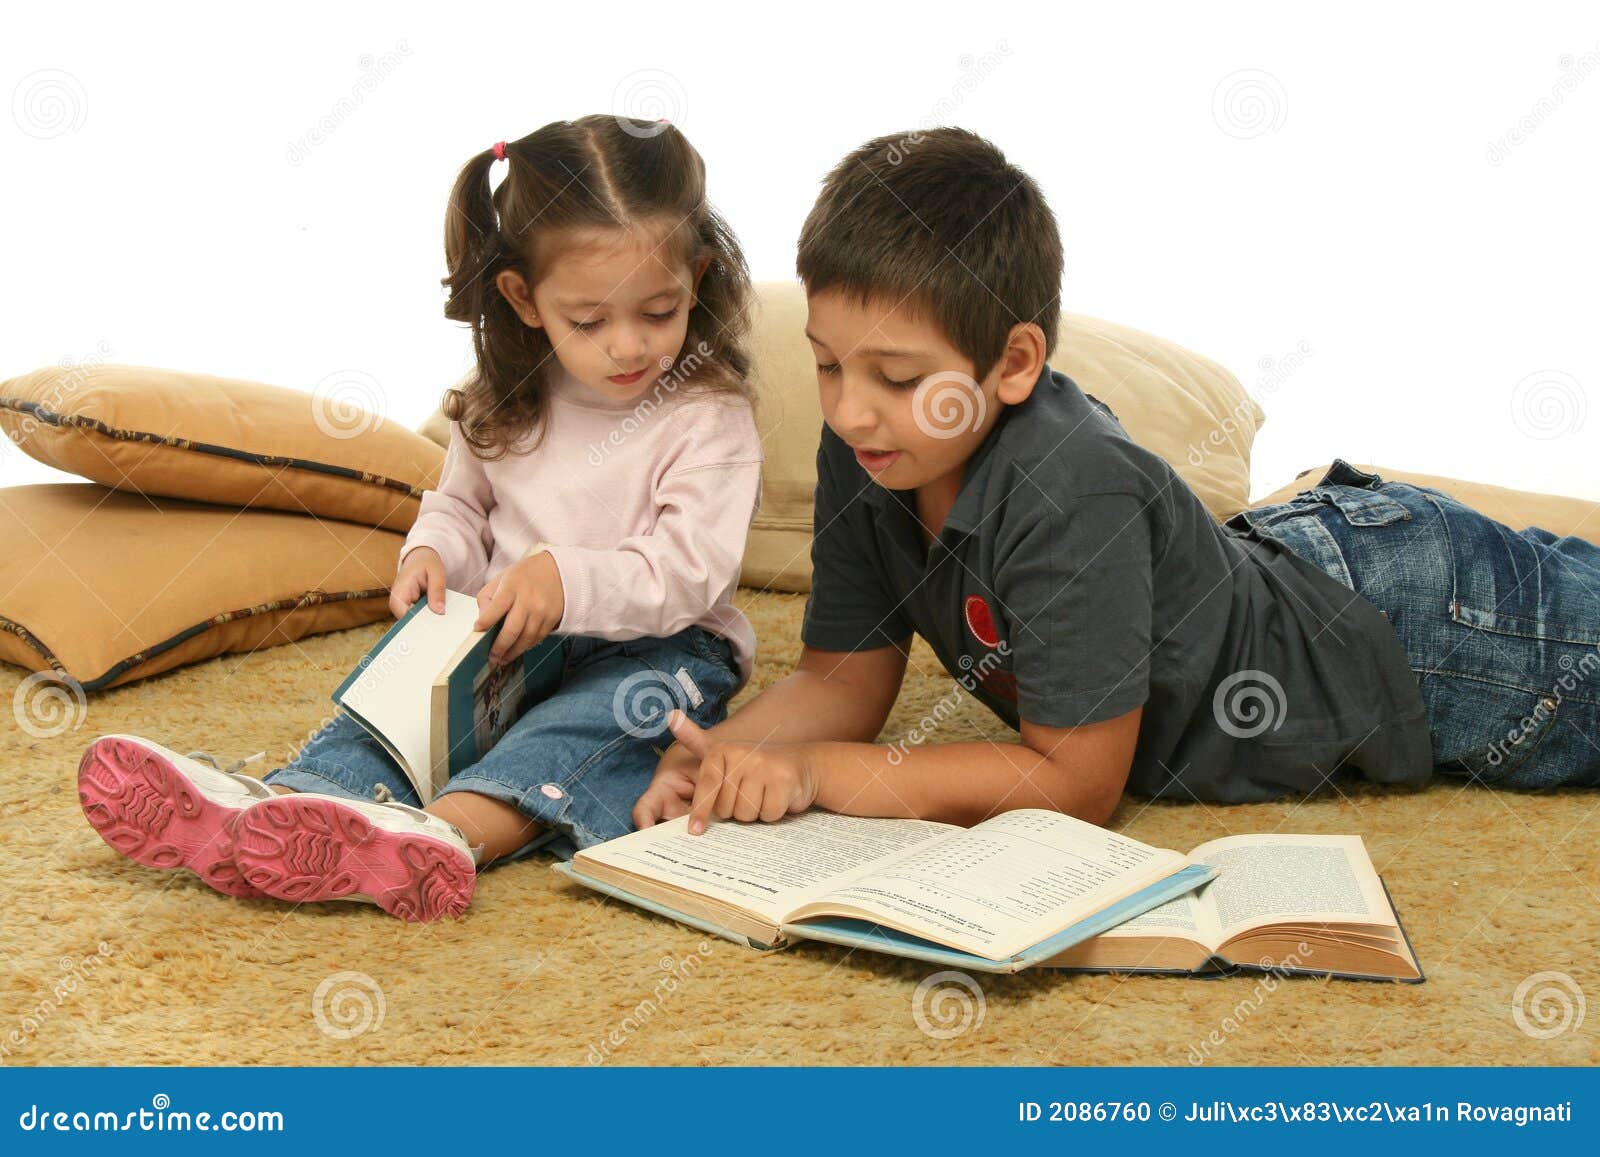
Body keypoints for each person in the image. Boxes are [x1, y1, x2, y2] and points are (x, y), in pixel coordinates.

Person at [634, 125, 1600, 839]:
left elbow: (1075, 782)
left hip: (1410, 622)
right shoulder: (869, 450)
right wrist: (728, 752)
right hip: (1295, 556)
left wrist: (816, 772)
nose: (848, 411)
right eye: (828, 364)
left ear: (1014, 364)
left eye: (896, 378)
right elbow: (841, 679)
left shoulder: (1068, 489)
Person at [78, 115, 764, 922]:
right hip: (507, 638)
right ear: (524, 299)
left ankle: (445, 836)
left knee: (581, 730)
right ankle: (280, 809)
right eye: (590, 321)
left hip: (665, 644)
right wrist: (430, 553)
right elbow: (458, 504)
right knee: (397, 710)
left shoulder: (705, 412)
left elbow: (689, 570)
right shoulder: (504, 393)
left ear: (699, 275)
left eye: (659, 311)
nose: (627, 345)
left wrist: (565, 576)